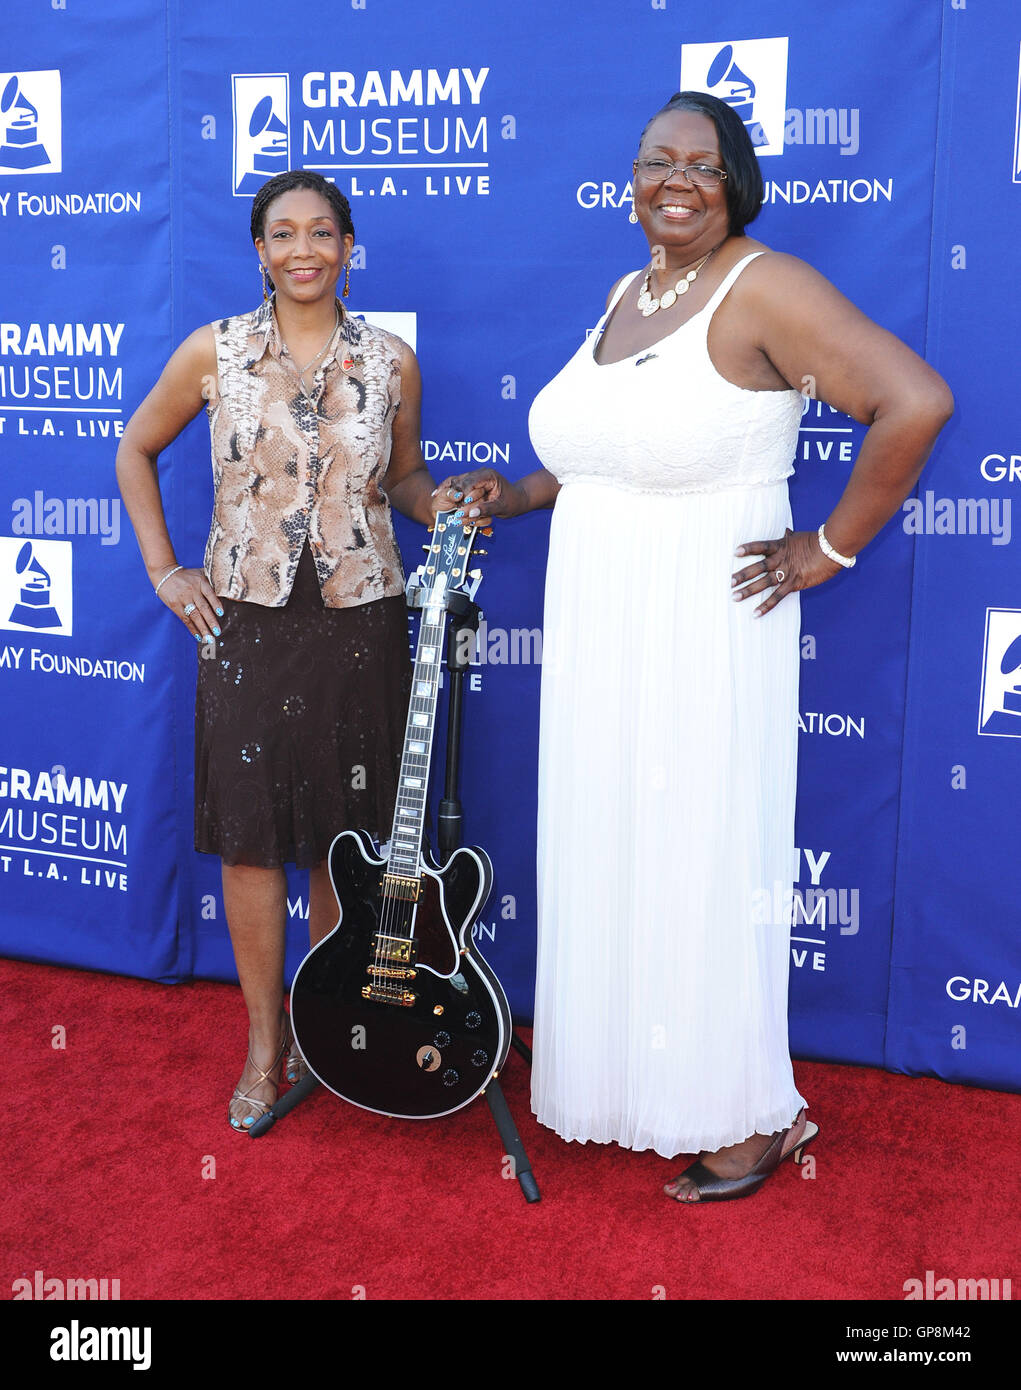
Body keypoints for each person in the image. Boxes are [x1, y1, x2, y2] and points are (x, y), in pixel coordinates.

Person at [436, 92, 953, 1202]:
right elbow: (611, 456)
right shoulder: (631, 292)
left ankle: (747, 1115)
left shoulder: (763, 285)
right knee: (613, 844)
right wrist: (515, 495)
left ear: (738, 183)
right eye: (654, 161)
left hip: (701, 629)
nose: (674, 179)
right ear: (629, 182)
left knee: (702, 857)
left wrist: (829, 547)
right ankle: (634, 1083)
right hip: (599, 623)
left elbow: (911, 401)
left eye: (701, 164)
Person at [116, 170, 442, 1132]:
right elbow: (135, 447)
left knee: (341, 846)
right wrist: (165, 569)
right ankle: (267, 1045)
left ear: (349, 247)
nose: (305, 250)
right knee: (254, 843)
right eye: (284, 234)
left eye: (324, 233)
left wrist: (451, 505)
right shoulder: (213, 353)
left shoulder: (390, 360)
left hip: (361, 622)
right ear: (258, 250)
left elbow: (409, 478)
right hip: (246, 625)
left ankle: (331, 1022)